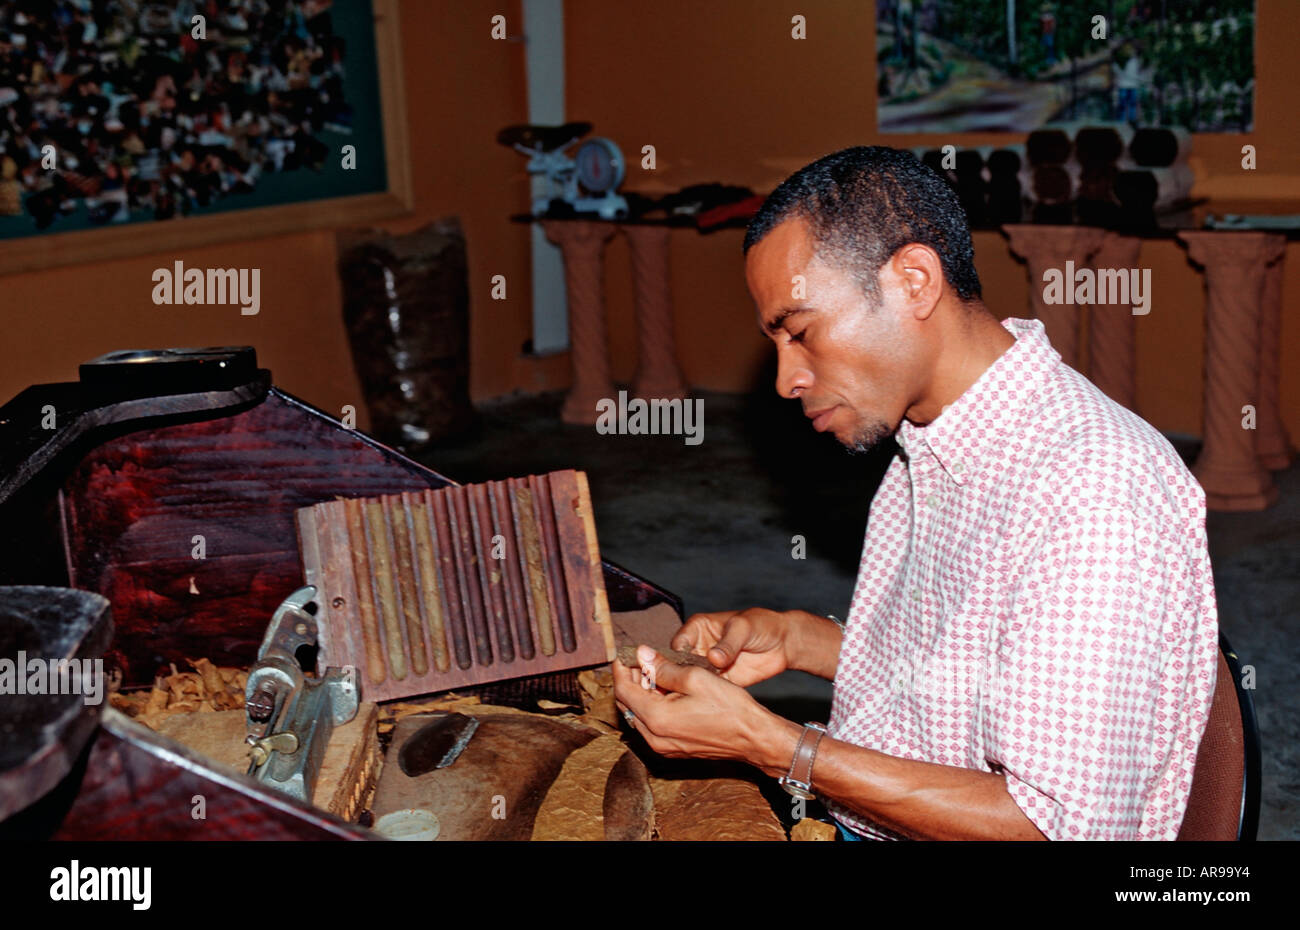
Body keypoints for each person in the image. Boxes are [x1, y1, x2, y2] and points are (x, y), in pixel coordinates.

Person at [612, 146, 1220, 841]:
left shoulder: (1093, 491)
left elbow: (1052, 828)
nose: (786, 379)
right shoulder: (925, 444)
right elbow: (965, 675)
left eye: (802, 331)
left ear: (913, 280)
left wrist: (774, 746)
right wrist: (799, 639)